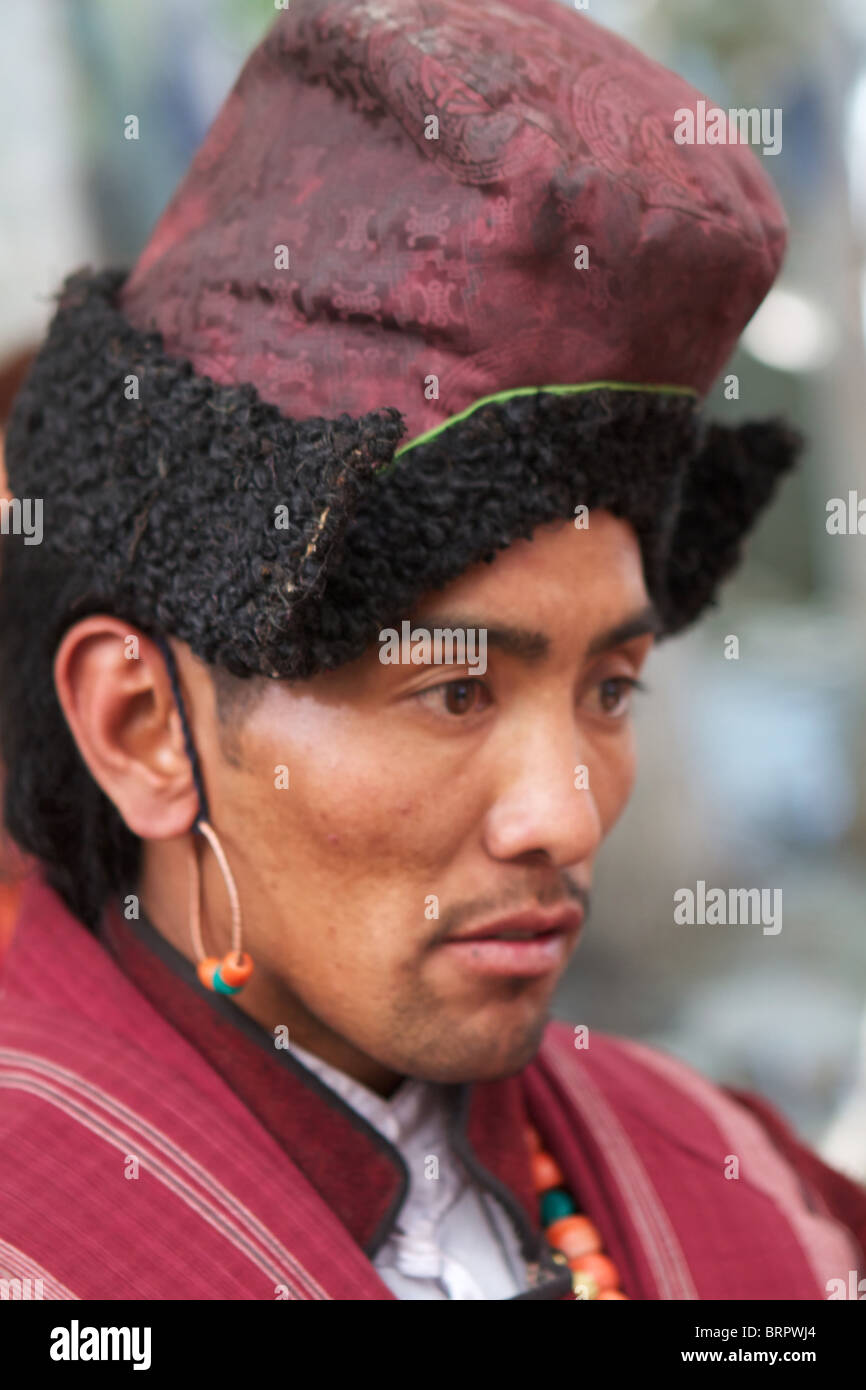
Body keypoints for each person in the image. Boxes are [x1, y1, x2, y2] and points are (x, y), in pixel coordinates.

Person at [0, 0, 863, 1302]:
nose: (565, 815)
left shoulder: (740, 1189)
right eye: (456, 687)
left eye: (610, 686)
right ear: (142, 726)